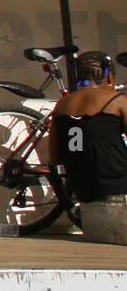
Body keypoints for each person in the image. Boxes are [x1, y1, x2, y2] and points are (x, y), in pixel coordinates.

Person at [52, 52, 127, 202]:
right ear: (109, 76)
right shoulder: (117, 101)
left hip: (80, 187)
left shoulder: (61, 105)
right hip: (116, 185)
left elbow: (54, 156)